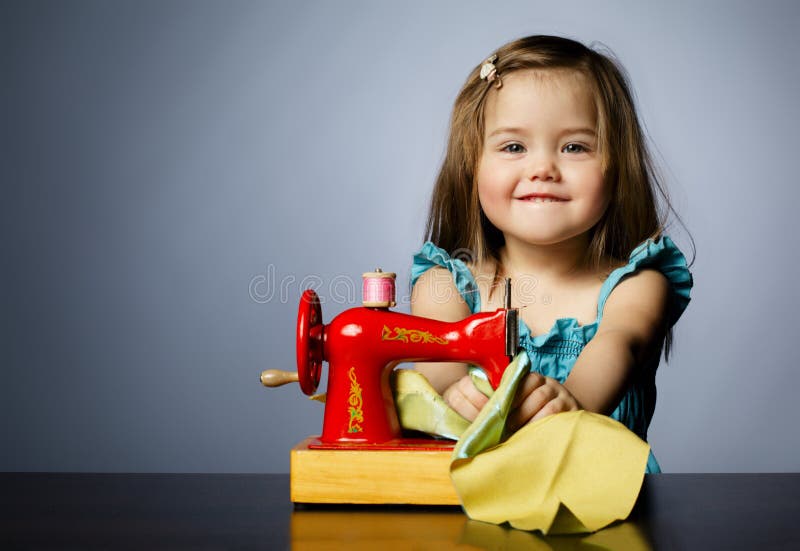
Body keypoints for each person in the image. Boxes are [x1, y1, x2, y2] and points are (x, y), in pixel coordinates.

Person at [410, 35, 693, 473]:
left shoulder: (638, 285)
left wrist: (571, 404)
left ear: (617, 165)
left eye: (574, 147)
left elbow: (618, 343)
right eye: (514, 147)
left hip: (603, 508)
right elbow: (437, 375)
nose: (542, 168)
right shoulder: (445, 286)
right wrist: (454, 396)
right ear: (472, 165)